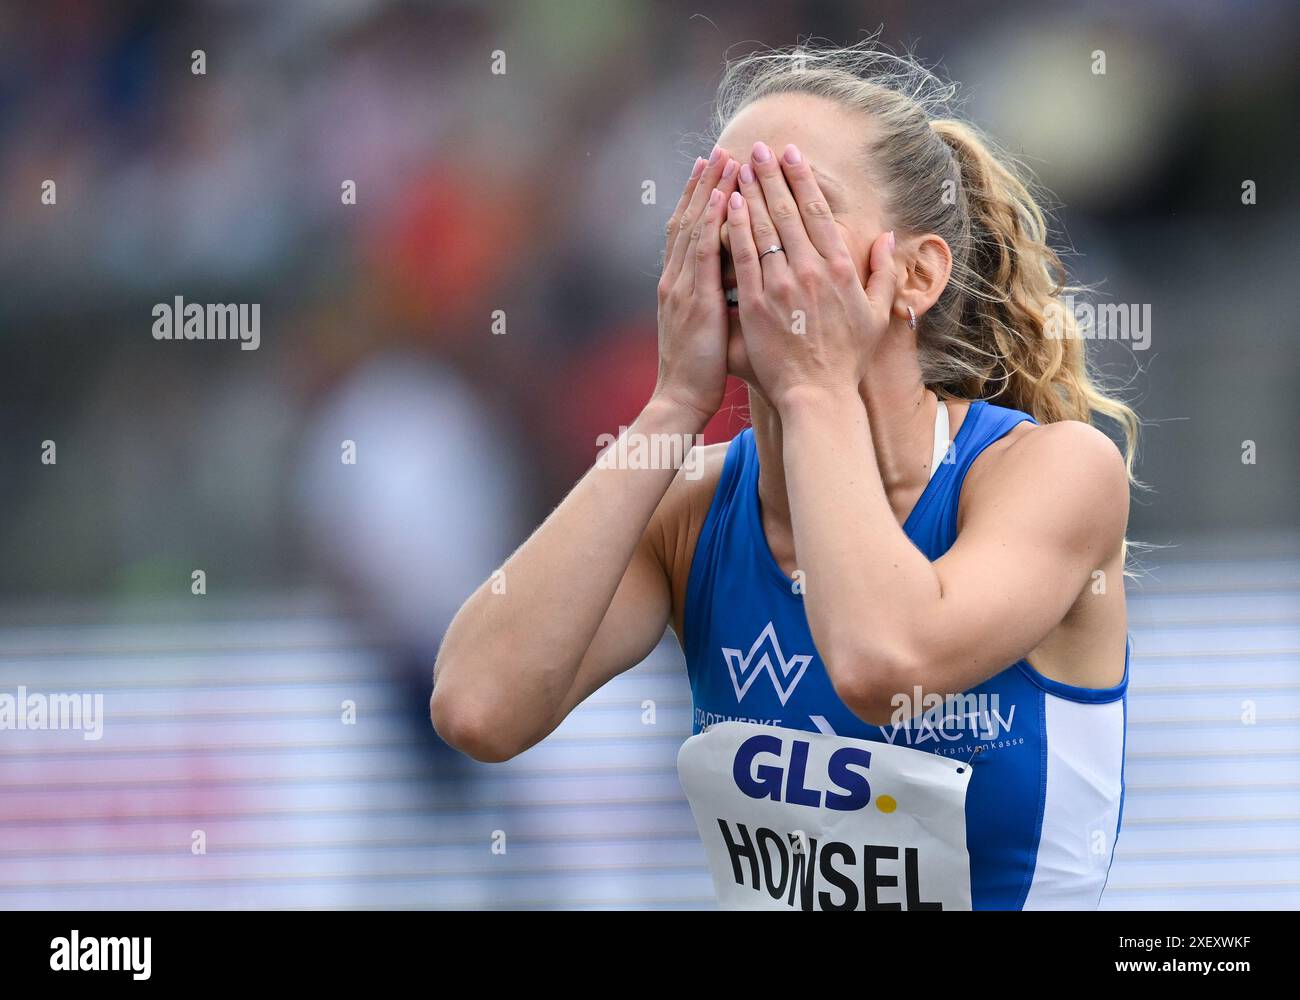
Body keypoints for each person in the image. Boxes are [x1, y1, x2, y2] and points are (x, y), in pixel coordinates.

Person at [430, 43, 1138, 910]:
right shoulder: (690, 509)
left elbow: (883, 664)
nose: (747, 235)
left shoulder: (1052, 471)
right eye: (723, 201)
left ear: (914, 274)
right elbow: (478, 708)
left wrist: (813, 385)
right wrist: (672, 405)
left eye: (796, 204)